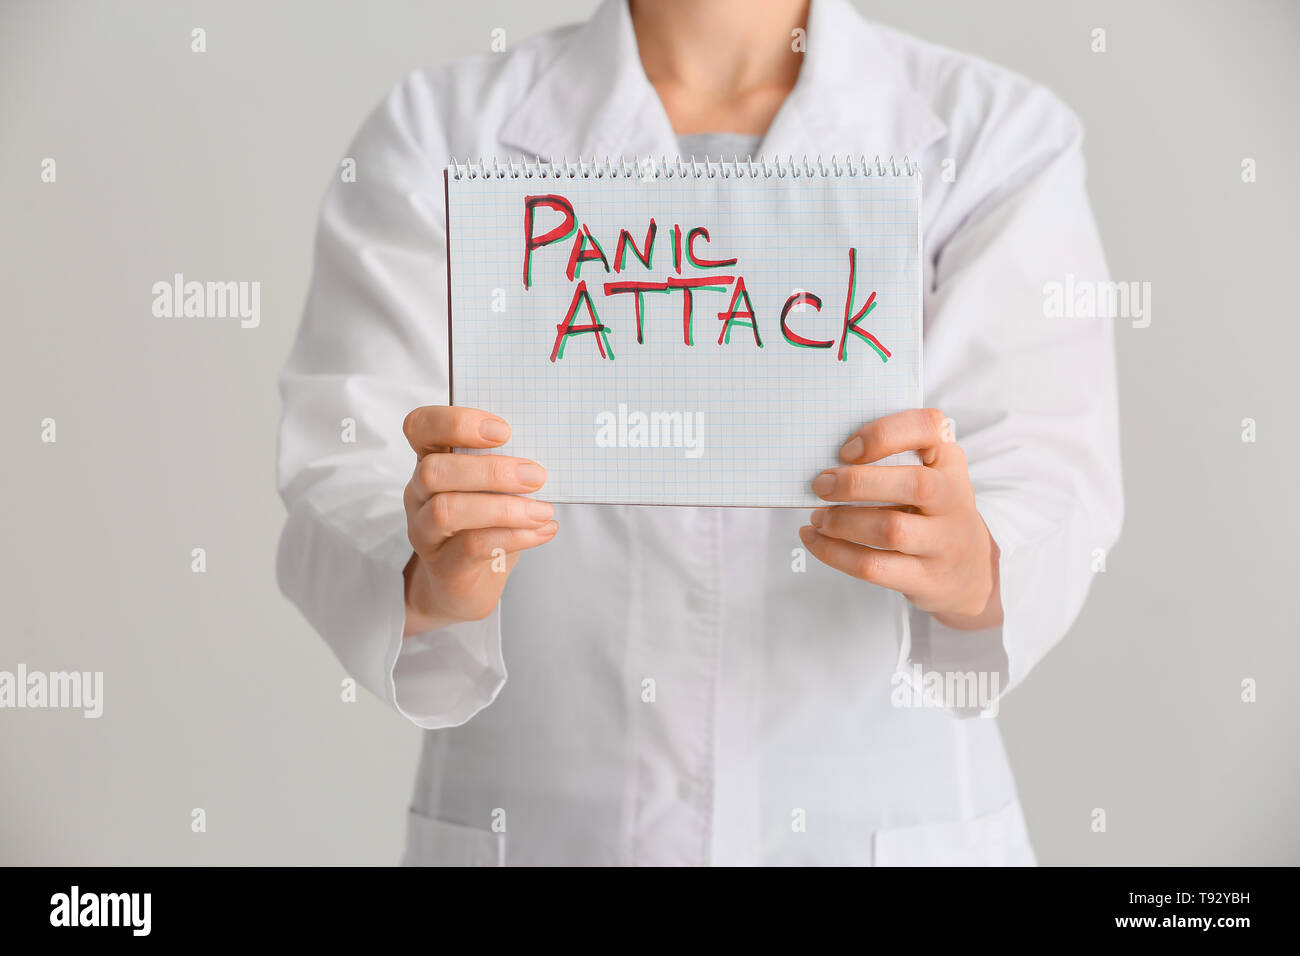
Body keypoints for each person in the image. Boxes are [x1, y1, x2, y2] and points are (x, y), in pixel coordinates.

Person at [276, 0, 1122, 865]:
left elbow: (1047, 470)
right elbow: (347, 456)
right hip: (540, 827)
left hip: (877, 824)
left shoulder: (996, 138)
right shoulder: (440, 131)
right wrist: (428, 576)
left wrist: (970, 560)